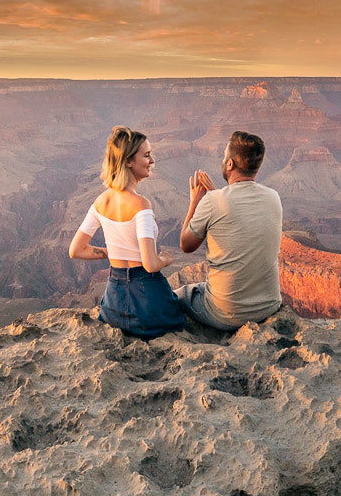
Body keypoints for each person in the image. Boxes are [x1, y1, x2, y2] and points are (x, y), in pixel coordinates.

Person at [70, 126, 187, 338]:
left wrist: (112, 253)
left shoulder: (101, 201)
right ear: (128, 161)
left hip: (113, 307)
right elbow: (150, 264)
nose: (152, 161)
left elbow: (76, 250)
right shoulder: (141, 204)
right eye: (147, 155)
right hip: (148, 306)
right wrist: (165, 259)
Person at [176, 130, 284, 328]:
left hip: (225, 314)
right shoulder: (273, 197)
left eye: (225, 156)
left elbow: (186, 245)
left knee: (179, 294)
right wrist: (216, 196)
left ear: (230, 164)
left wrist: (195, 203)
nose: (223, 160)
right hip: (269, 307)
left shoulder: (213, 201)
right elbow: (240, 220)